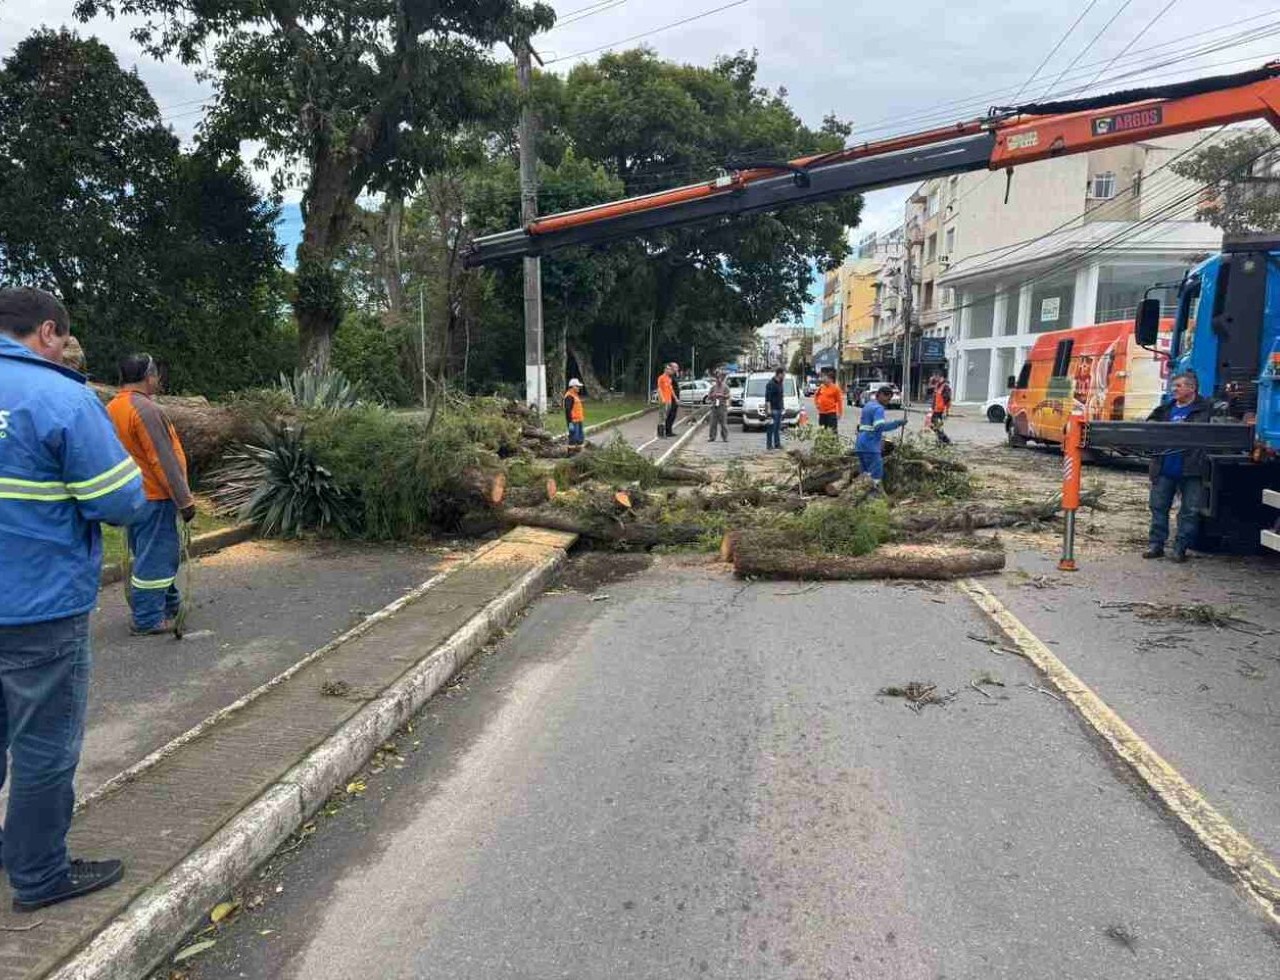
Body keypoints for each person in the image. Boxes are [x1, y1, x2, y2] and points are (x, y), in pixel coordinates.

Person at [0, 287, 145, 912]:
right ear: (48, 332)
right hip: (36, 605)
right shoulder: (60, 396)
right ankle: (38, 874)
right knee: (43, 745)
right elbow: (117, 500)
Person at [107, 354, 197, 635]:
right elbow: (163, 460)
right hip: (154, 497)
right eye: (156, 374)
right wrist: (185, 501)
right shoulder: (145, 409)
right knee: (155, 558)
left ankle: (169, 606)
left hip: (130, 497)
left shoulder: (112, 407)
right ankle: (147, 618)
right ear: (149, 376)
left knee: (152, 554)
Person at [1144, 372, 1213, 562]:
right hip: (1164, 467)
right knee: (1158, 507)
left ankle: (1180, 548)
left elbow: (1221, 424)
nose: (1174, 389)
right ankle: (1155, 545)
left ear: (1192, 388)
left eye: (1179, 386)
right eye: (1173, 386)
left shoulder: (1206, 409)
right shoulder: (1164, 410)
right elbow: (1148, 426)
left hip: (1192, 469)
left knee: (1190, 511)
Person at [855, 384, 908, 488]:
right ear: (881, 395)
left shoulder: (868, 405)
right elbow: (879, 427)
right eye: (887, 399)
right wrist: (897, 423)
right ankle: (874, 496)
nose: (887, 402)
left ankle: (858, 494)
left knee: (864, 473)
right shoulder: (879, 409)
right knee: (876, 473)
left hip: (860, 445)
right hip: (870, 445)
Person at [764, 367, 786, 450]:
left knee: (777, 428)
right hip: (772, 409)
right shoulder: (770, 384)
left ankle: (777, 444)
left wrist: (782, 407)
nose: (784, 376)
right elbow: (767, 398)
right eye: (783, 374)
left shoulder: (780, 383)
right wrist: (768, 410)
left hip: (779, 408)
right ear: (779, 374)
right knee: (771, 428)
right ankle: (769, 445)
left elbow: (781, 396)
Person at [929, 373, 953, 446]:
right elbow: (931, 390)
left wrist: (946, 411)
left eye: (936, 377)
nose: (935, 378)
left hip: (940, 410)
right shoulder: (938, 386)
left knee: (936, 425)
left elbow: (947, 399)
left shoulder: (945, 387)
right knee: (934, 425)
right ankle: (943, 440)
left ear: (941, 377)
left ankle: (944, 440)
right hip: (936, 410)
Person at [706, 369, 730, 442]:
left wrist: (722, 395)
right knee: (713, 423)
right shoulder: (713, 387)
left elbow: (728, 396)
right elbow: (709, 396)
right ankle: (712, 437)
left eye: (720, 378)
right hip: (714, 407)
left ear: (722, 379)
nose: (719, 380)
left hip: (722, 406)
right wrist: (713, 395)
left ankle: (725, 437)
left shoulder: (725, 387)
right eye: (717, 378)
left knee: (723, 424)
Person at [563, 379, 586, 452]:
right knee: (573, 437)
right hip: (573, 421)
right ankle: (571, 453)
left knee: (580, 437)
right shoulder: (569, 396)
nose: (579, 388)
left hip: (579, 420)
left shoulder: (575, 395)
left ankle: (580, 453)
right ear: (572, 387)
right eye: (577, 386)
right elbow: (568, 410)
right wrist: (570, 423)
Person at [657, 363, 678, 437]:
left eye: (670, 369)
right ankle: (660, 433)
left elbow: (671, 389)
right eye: (668, 369)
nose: (670, 370)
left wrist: (675, 398)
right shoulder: (661, 378)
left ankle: (664, 432)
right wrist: (662, 398)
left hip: (669, 400)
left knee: (666, 416)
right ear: (665, 369)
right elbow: (659, 389)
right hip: (664, 400)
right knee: (662, 416)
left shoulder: (669, 379)